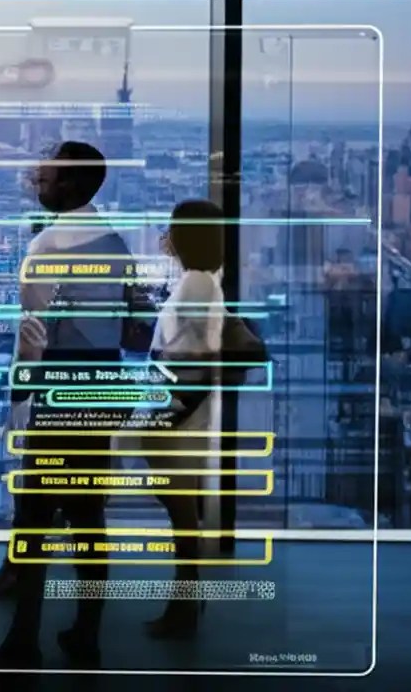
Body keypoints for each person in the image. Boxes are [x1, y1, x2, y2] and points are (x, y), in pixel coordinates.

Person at [0, 141, 130, 670]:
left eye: (43, 180)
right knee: (89, 517)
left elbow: (33, 337)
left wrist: (21, 400)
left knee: (36, 518)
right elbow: (128, 323)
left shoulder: (47, 246)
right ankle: (86, 635)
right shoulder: (116, 241)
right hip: (102, 389)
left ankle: (23, 643)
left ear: (68, 186)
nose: (36, 186)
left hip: (57, 393)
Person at [135, 199, 228, 638]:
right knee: (181, 512)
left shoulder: (196, 286)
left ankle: (186, 603)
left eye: (173, 228)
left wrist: (170, 415)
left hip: (175, 418)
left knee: (181, 514)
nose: (166, 235)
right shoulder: (200, 282)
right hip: (178, 414)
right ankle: (186, 601)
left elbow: (209, 358)